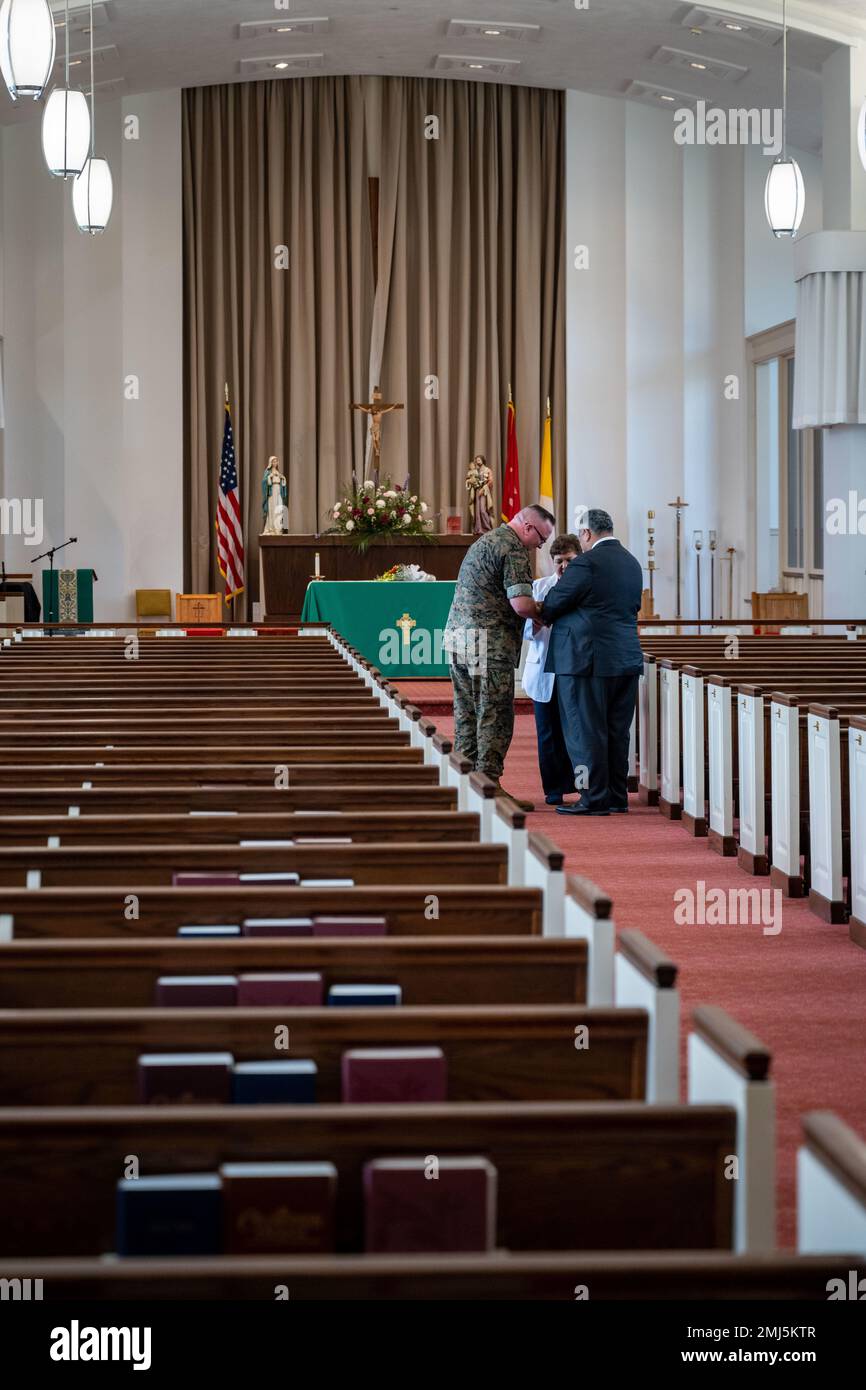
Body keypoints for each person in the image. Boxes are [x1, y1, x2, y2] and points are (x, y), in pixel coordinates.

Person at [444, 504, 555, 812]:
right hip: (488, 645)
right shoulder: (514, 548)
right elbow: (521, 604)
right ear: (529, 528)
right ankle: (489, 787)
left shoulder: (487, 540)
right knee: (494, 715)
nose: (541, 546)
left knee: (466, 713)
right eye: (542, 539)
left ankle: (464, 783)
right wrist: (543, 613)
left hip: (458, 639)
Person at [539, 508, 643, 817]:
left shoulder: (586, 563)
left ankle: (590, 796)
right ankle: (615, 795)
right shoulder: (631, 562)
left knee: (583, 732)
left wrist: (546, 610)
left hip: (585, 661)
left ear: (585, 534)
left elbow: (556, 602)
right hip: (624, 659)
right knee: (616, 731)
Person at [522, 533, 582, 805]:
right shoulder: (540, 587)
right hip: (544, 668)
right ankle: (553, 789)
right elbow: (525, 631)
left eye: (569, 561)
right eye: (559, 561)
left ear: (579, 558)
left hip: (574, 669)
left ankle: (581, 785)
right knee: (548, 732)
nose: (564, 567)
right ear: (552, 561)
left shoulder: (585, 588)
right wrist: (539, 620)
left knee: (577, 733)